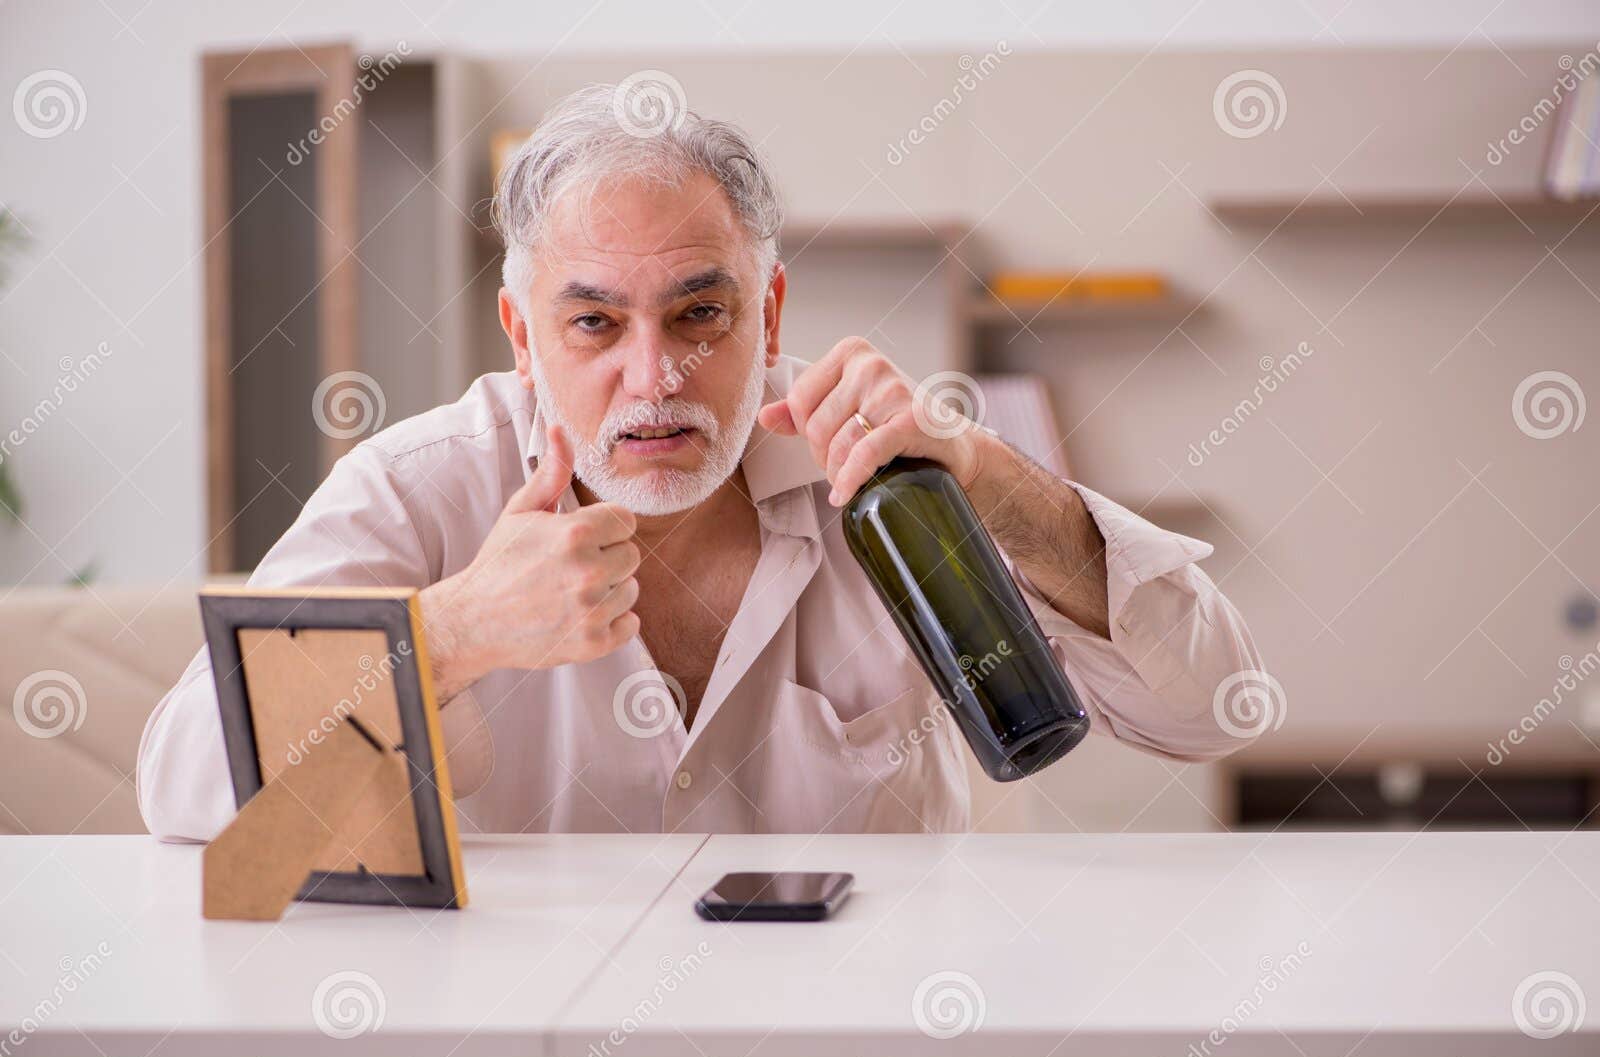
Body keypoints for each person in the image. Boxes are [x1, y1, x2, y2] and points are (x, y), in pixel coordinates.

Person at [138, 83, 1262, 840]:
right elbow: (182, 785)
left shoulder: (886, 477)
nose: (655, 376)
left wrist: (984, 474)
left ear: (768, 312)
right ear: (522, 336)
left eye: (699, 314)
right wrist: (457, 632)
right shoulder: (420, 487)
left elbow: (1214, 709)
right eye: (593, 325)